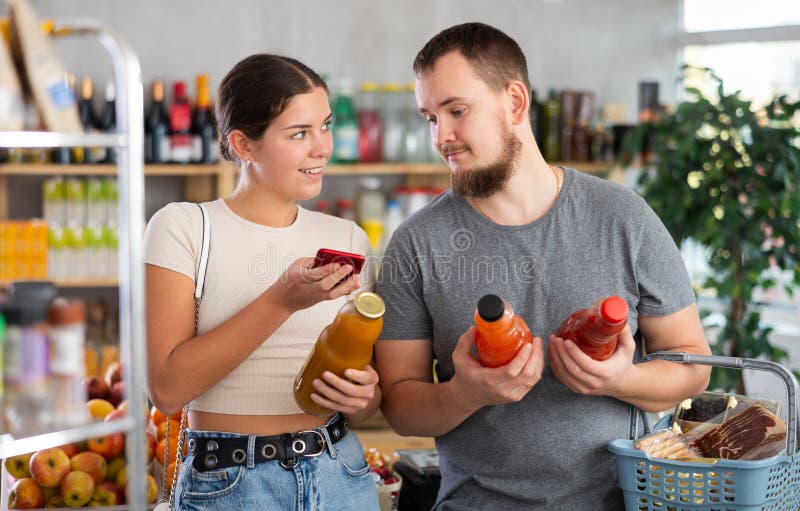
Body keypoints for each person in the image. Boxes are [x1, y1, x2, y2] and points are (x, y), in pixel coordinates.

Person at [375, 22, 712, 510]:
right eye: (430, 117)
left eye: (456, 111)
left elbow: (691, 364)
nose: (441, 136)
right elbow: (401, 405)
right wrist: (464, 394)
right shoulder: (417, 243)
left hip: (624, 501)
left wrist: (621, 380)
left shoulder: (623, 217)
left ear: (514, 102)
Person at [144, 54, 381, 511]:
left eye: (325, 126)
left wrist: (364, 395)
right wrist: (281, 301)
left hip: (340, 472)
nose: (323, 148)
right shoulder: (184, 228)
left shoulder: (346, 237)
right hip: (230, 482)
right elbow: (169, 389)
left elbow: (366, 406)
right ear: (243, 145)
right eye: (299, 134)